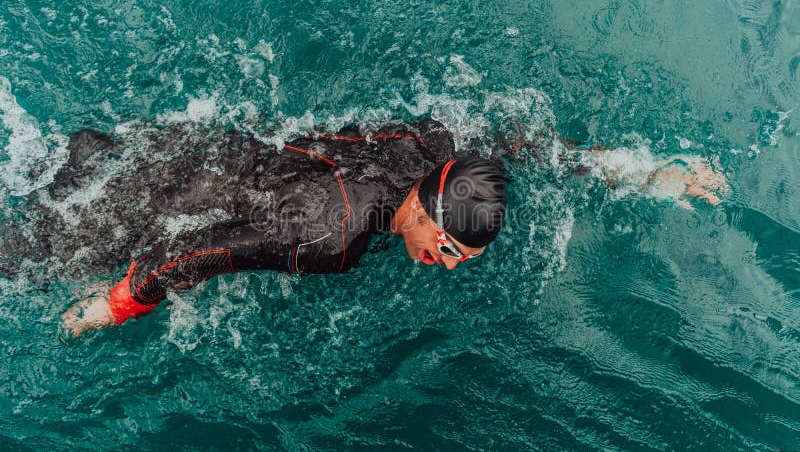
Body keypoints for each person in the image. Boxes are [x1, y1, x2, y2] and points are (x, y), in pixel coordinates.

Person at [0, 118, 725, 338]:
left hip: (183, 147)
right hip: (131, 208)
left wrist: (642, 172)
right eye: (448, 247)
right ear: (429, 209)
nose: (447, 265)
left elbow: (517, 140)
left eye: (461, 257)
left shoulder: (439, 149)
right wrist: (113, 305)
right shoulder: (332, 237)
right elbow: (202, 250)